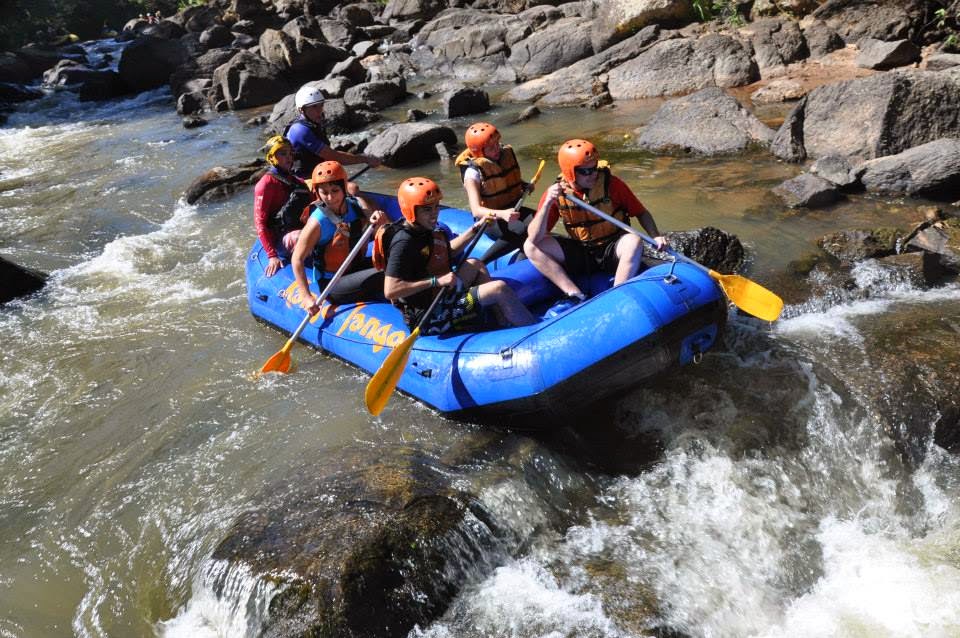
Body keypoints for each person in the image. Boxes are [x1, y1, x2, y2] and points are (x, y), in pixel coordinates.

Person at [524, 138, 668, 309]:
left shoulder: (612, 184)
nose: (593, 174)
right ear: (570, 172)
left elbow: (641, 212)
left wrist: (656, 235)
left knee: (633, 241)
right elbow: (534, 237)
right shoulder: (557, 193)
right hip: (582, 251)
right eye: (585, 171)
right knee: (530, 246)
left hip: (612, 248)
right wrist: (548, 203)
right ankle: (574, 293)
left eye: (594, 168)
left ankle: (617, 296)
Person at [381, 177, 536, 335]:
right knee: (499, 288)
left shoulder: (421, 228)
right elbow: (391, 290)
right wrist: (436, 281)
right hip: (430, 316)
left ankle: (501, 320)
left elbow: (447, 252)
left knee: (475, 264)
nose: (434, 214)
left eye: (436, 207)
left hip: (439, 295)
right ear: (411, 210)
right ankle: (533, 333)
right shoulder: (403, 243)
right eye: (427, 209)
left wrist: (474, 230)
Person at [292, 161, 386, 312]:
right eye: (324, 192)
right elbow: (297, 259)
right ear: (317, 193)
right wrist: (306, 296)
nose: (330, 197)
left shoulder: (356, 206)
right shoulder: (318, 222)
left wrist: (379, 219)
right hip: (333, 284)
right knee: (387, 273)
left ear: (344, 188)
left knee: (396, 263)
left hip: (354, 267)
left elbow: (384, 231)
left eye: (335, 190)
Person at [454, 122, 534, 263]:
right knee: (521, 230)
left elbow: (505, 179)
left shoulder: (502, 157)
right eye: (491, 148)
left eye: (497, 143)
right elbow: (476, 211)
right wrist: (502, 214)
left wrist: (524, 184)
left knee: (539, 219)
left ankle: (524, 257)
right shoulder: (472, 173)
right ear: (478, 151)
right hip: (491, 220)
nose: (497, 149)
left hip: (512, 210)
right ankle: (484, 262)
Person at [284, 84, 381, 180]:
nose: (319, 110)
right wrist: (365, 159)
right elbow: (333, 156)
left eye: (321, 105)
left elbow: (330, 154)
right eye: (314, 107)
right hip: (301, 180)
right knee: (352, 188)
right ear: (302, 110)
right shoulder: (300, 130)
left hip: (316, 174)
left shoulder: (314, 123)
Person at [253, 136, 311, 277]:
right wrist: (272, 255)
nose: (289, 157)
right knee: (300, 237)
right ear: (271, 157)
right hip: (280, 237)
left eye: (290, 153)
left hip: (296, 226)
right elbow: (260, 223)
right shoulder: (265, 184)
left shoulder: (297, 182)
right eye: (283, 153)